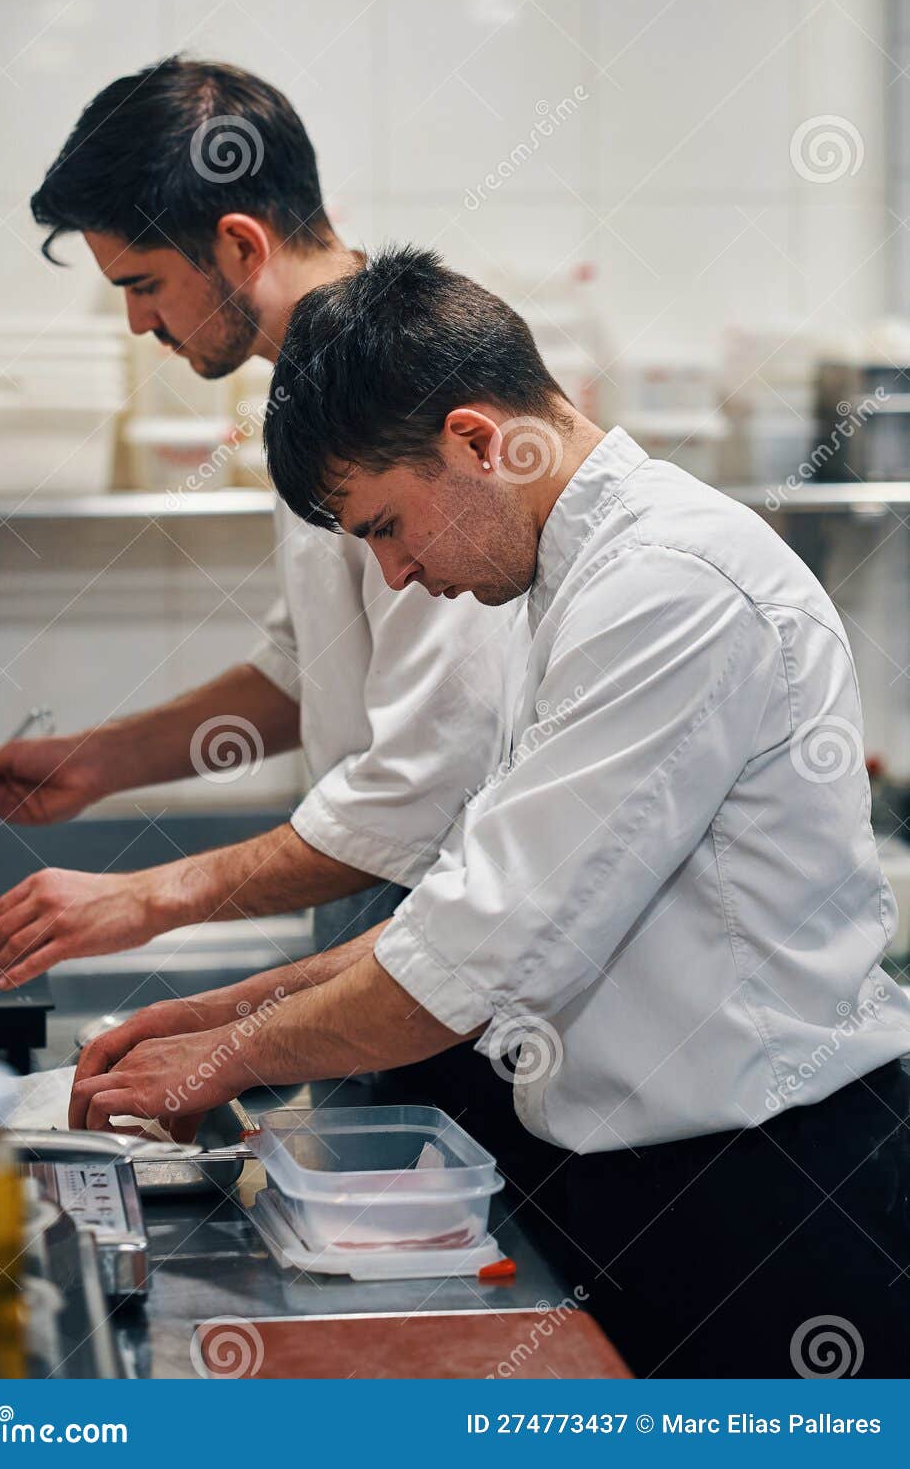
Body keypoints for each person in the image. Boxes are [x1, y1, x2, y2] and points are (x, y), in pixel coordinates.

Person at [72, 246, 910, 1378]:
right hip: (655, 1181)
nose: (399, 574)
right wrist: (223, 1009)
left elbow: (473, 956)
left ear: (473, 439)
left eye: (383, 525)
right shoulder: (567, 586)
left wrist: (223, 1057)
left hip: (777, 1198)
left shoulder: (672, 584)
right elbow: (460, 907)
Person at [0, 64, 516, 1123]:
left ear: (238, 246)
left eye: (142, 284)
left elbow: (437, 763)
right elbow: (312, 667)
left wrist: (146, 895)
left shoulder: (406, 401)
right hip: (366, 901)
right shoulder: (314, 390)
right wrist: (102, 760)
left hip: (452, 944)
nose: (135, 325)